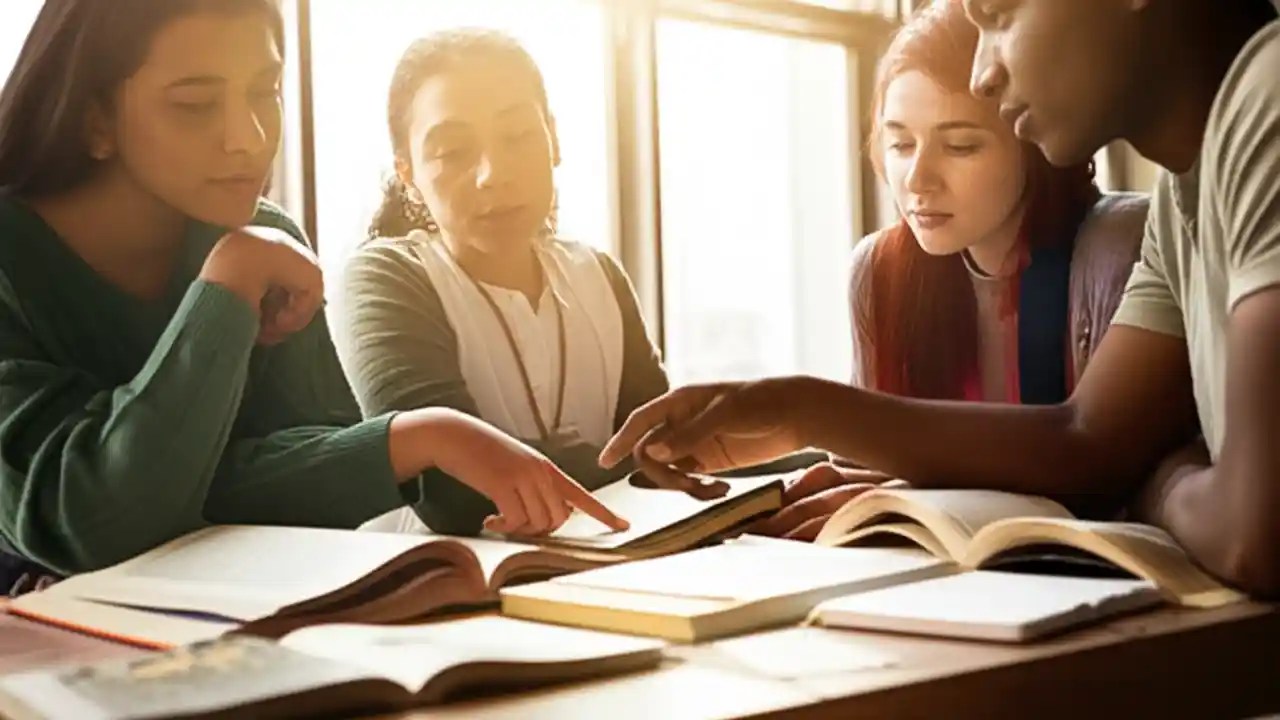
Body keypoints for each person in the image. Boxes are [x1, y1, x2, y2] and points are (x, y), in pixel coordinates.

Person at [600, 0, 1280, 597]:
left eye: (1001, 16)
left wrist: (1152, 482)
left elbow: (1255, 535)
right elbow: (1088, 441)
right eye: (898, 143)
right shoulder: (1180, 194)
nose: (985, 72)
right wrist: (801, 408)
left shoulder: (1268, 96)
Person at [0, 0, 624, 594]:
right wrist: (228, 288)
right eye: (194, 105)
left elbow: (312, 501)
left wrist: (423, 435)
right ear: (93, 117)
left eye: (263, 92)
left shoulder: (265, 242)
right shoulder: (247, 257)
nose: (248, 137)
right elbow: (90, 524)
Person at [758, 0, 1146, 539]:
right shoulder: (880, 272)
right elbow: (875, 476)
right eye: (899, 144)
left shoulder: (1119, 246)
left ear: (1028, 143)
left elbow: (1114, 474)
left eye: (960, 146)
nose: (918, 180)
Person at [331, 29, 669, 536]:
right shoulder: (387, 280)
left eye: (518, 137)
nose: (493, 174)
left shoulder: (599, 277)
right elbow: (452, 494)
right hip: (438, 591)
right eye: (452, 150)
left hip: (604, 585)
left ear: (553, 138)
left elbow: (668, 452)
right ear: (408, 174)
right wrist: (635, 470)